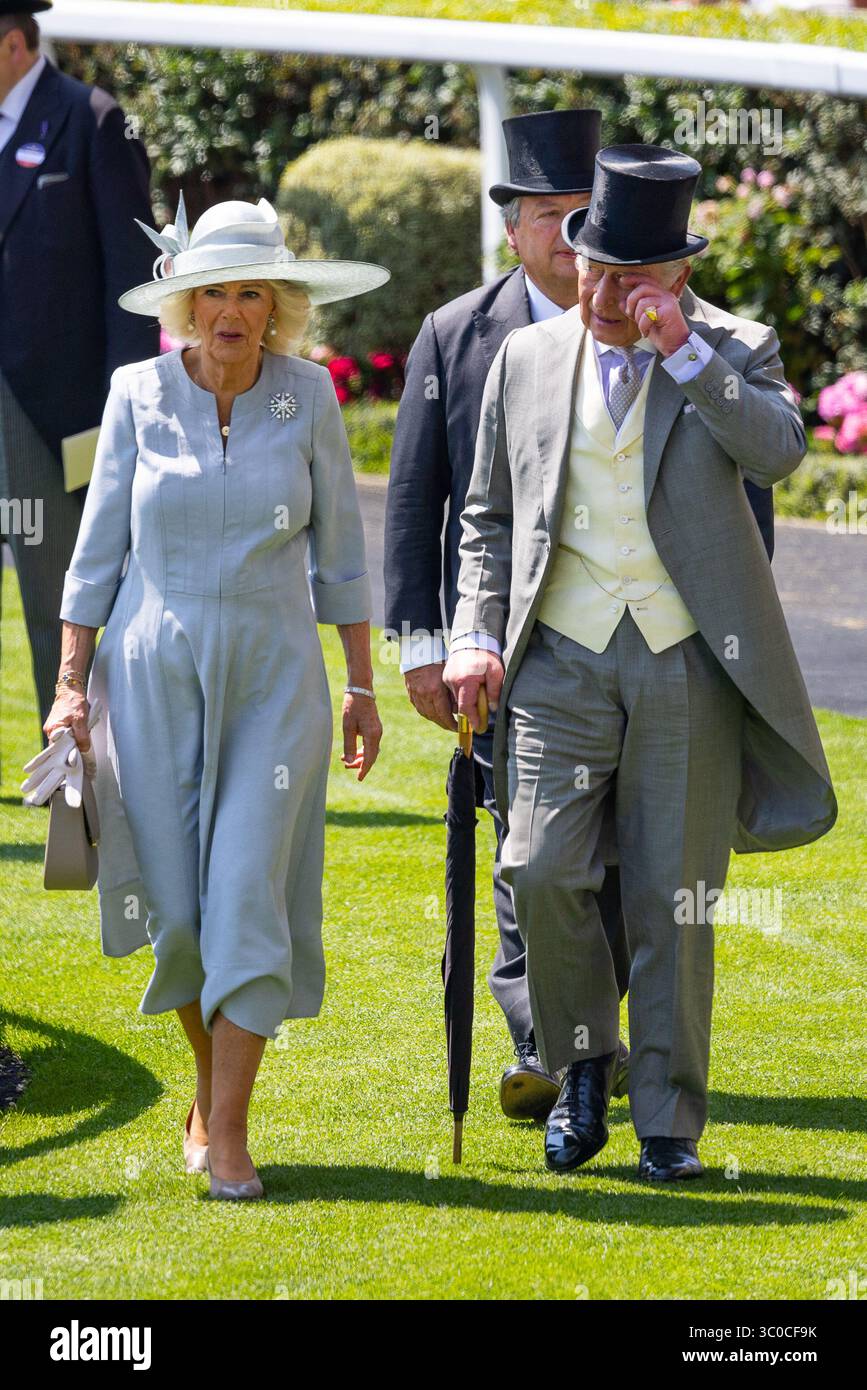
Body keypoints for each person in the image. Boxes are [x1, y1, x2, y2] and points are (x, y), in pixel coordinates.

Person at [444, 145, 836, 1181]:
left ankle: (668, 1123)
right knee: (537, 868)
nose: (606, 293)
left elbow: (782, 450)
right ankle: (581, 1063)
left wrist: (690, 363)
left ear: (678, 279)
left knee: (675, 901)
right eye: (593, 269)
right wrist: (474, 633)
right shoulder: (525, 362)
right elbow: (485, 513)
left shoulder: (733, 349)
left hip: (685, 663)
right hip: (558, 661)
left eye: (633, 279)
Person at [42, 194, 389, 1199]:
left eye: (251, 294)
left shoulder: (310, 396)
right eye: (212, 294)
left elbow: (342, 557)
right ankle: (207, 1084)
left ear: (277, 307)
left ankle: (230, 1133)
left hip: (277, 680)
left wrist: (362, 681)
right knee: (178, 916)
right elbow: (93, 555)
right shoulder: (136, 395)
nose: (230, 312)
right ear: (184, 304)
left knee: (246, 893)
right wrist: (70, 690)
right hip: (148, 675)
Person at [385, 110, 630, 1121]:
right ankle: (548, 1045)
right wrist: (421, 645)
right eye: (553, 217)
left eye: (589, 216)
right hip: (501, 647)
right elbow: (416, 502)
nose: (572, 238)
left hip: (626, 639)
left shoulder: (654, 322)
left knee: (615, 856)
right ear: (516, 227)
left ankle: (591, 1042)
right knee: (522, 849)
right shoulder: (456, 334)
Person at [0, 1, 158, 734]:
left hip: (52, 410)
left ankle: (71, 761)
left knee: (56, 588)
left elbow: (132, 279)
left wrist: (119, 419)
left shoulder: (94, 118)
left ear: (10, 44)